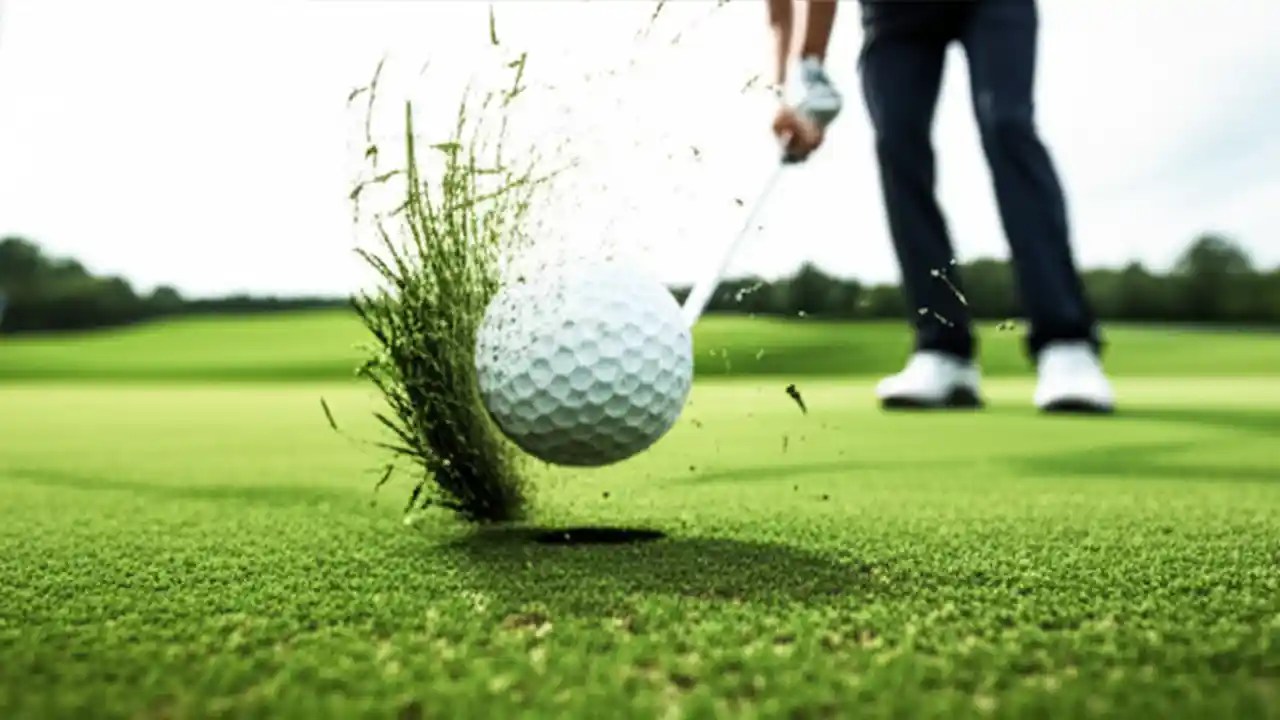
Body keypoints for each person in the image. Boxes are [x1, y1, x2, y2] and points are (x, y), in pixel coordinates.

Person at [766, 0, 1115, 413]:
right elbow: (780, 13)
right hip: (895, 13)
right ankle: (943, 349)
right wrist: (799, 85)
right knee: (896, 142)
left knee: (1007, 125)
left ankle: (1066, 343)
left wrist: (811, 62)